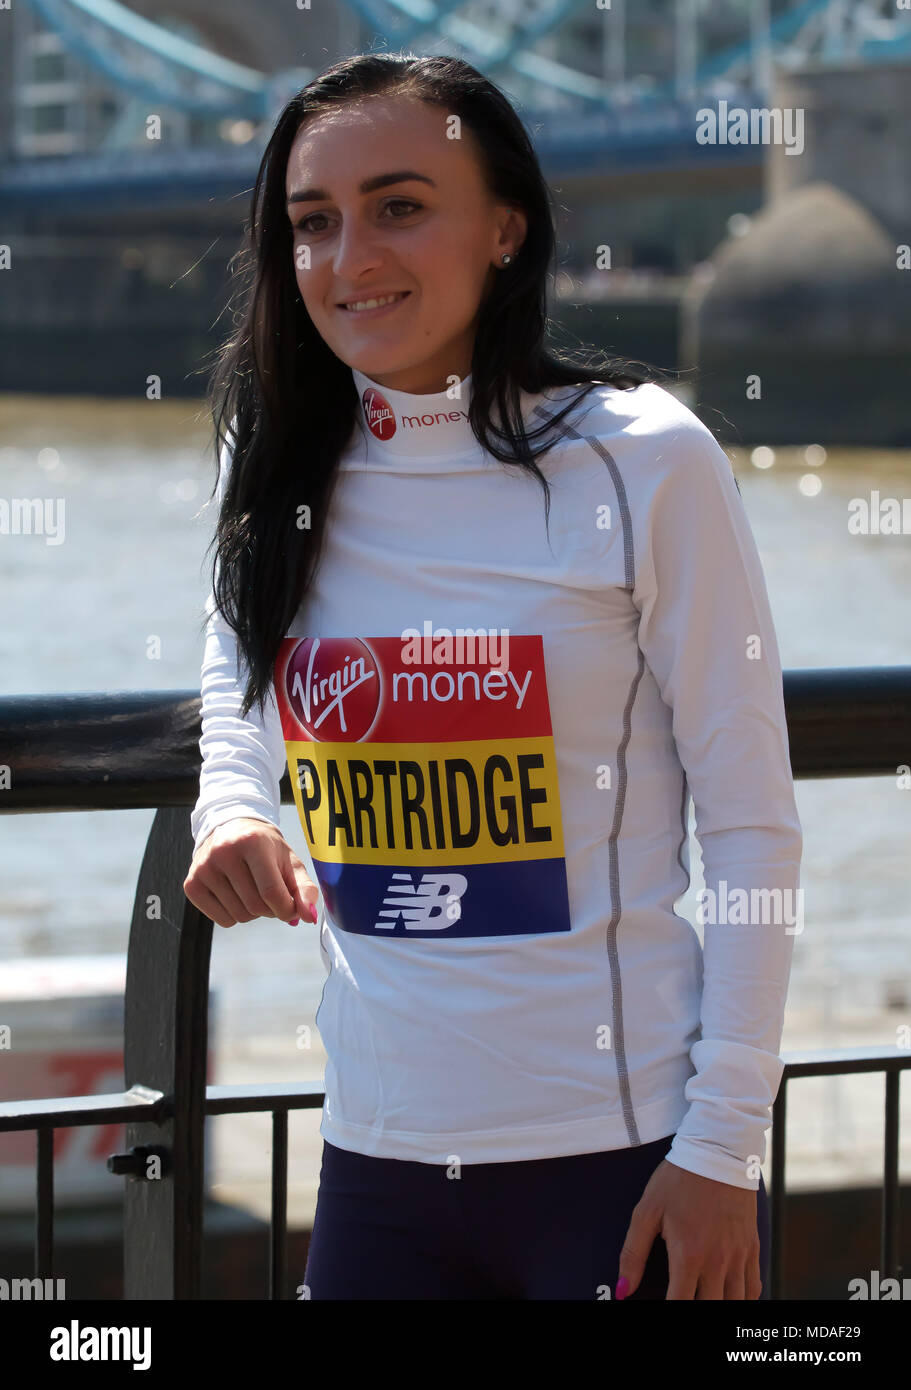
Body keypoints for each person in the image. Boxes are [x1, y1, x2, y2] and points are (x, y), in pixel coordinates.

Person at [184, 51, 802, 1301]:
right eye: (313, 222)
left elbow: (750, 826)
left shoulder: (641, 461)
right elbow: (237, 653)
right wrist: (231, 801)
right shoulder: (281, 448)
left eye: (400, 206)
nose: (349, 257)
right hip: (375, 1150)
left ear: (504, 229)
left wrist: (723, 1145)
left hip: (613, 1160)